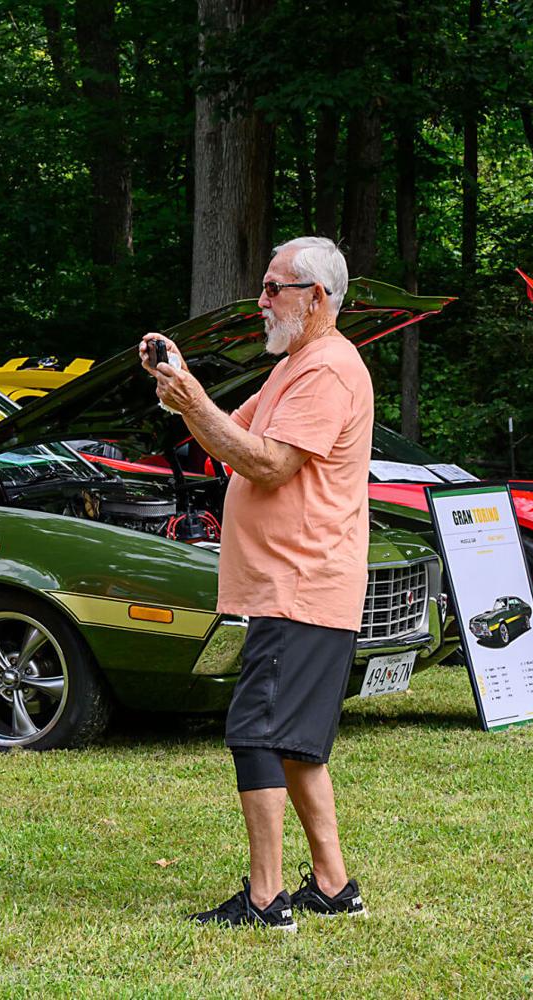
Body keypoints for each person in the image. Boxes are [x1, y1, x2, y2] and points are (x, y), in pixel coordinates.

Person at [141, 236, 370, 933]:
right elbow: (226, 436)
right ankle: (332, 885)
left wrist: (192, 401)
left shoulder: (327, 371)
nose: (261, 301)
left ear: (316, 298)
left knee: (256, 734)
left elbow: (268, 465)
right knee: (297, 743)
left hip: (296, 584)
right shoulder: (296, 365)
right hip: (298, 583)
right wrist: (182, 389)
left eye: (274, 288)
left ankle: (266, 899)